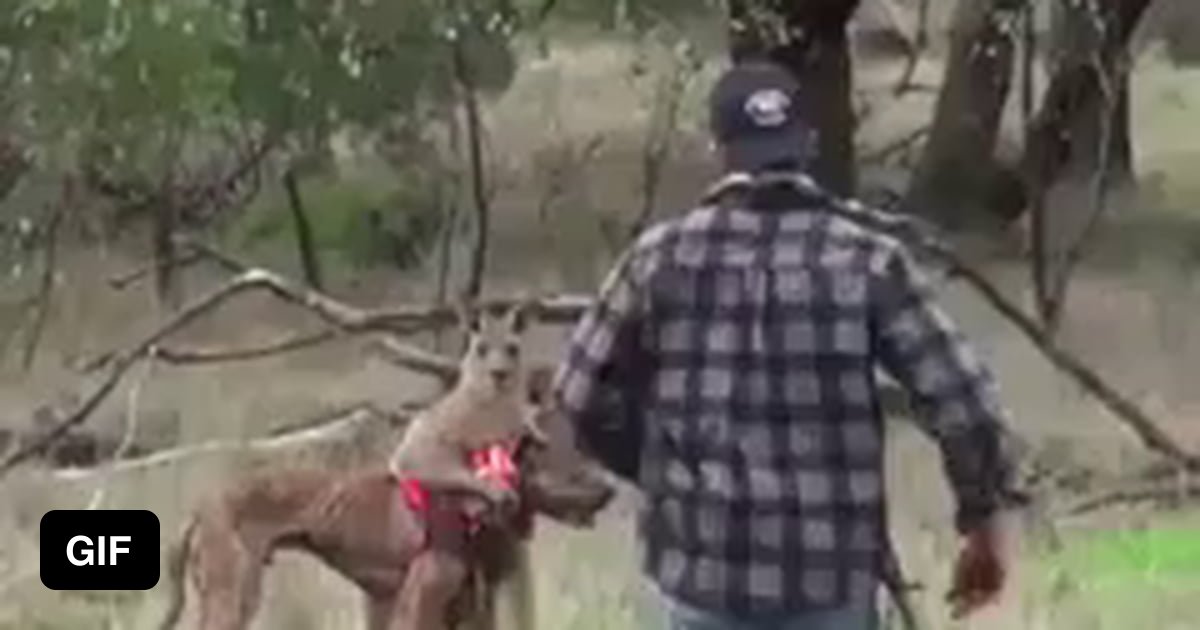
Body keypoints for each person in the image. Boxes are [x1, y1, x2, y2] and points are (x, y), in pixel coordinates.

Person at [551, 60, 1027, 630]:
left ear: (719, 148)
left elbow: (577, 394)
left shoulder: (659, 257)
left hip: (699, 580)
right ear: (807, 143)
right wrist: (980, 522)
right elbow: (967, 402)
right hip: (829, 587)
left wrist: (658, 469)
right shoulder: (866, 259)